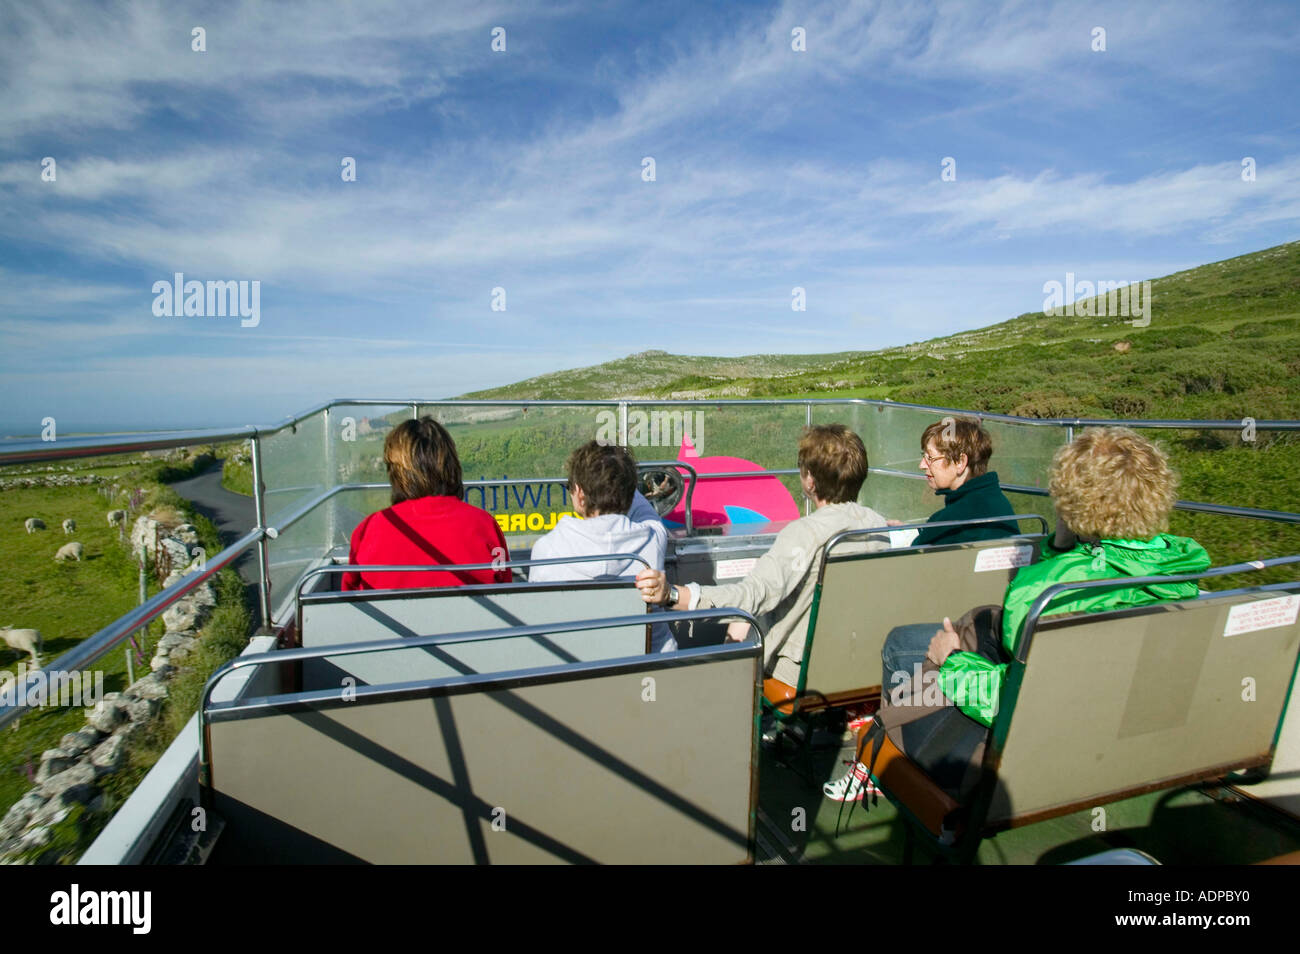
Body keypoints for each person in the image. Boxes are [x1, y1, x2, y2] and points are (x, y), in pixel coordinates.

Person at [828, 426, 1211, 800]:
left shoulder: (1055, 591)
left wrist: (953, 660)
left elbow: (1017, 698)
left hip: (1025, 753)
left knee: (908, 651)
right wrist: (1063, 544)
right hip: (1107, 736)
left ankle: (878, 760)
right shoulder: (1179, 570)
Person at [636, 424, 889, 687]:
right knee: (745, 621)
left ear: (810, 481)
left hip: (800, 674)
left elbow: (753, 595)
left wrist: (673, 595)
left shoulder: (804, 534)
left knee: (743, 619)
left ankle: (732, 704)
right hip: (859, 663)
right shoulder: (878, 525)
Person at [529, 441, 674, 652]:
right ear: (628, 492)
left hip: (576, 667)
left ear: (580, 495)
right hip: (651, 663)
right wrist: (619, 484)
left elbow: (538, 617)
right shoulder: (653, 539)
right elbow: (645, 511)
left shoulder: (547, 549)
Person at [342, 416, 510, 591]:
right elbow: (505, 590)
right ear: (451, 465)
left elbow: (350, 600)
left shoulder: (369, 529)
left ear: (395, 473)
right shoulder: (483, 524)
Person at [910, 417, 1018, 547]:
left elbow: (913, 554)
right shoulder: (998, 503)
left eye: (930, 458)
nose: (922, 465)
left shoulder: (948, 521)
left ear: (960, 462)